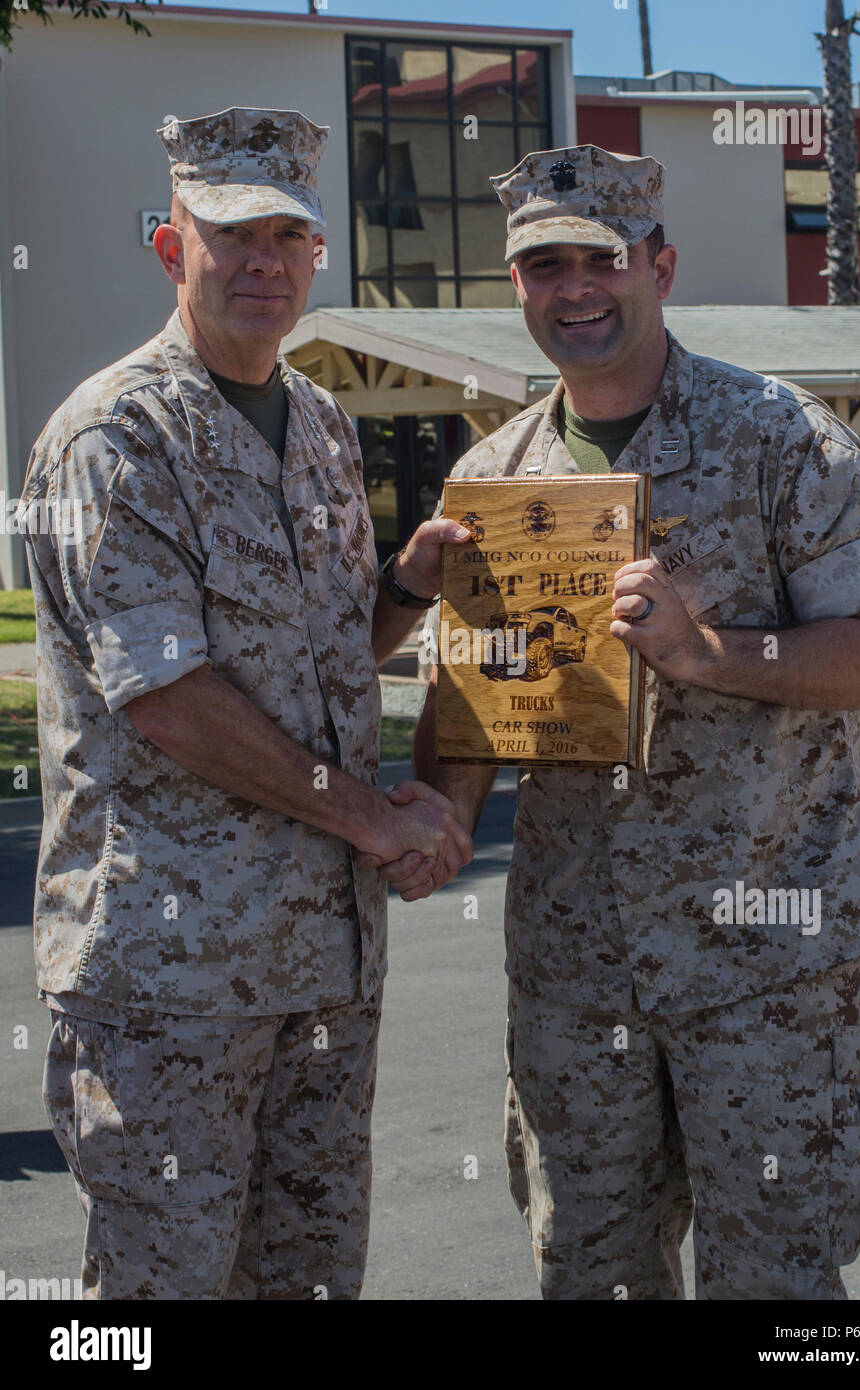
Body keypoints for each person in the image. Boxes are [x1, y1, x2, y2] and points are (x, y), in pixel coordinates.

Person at [373, 144, 860, 1299]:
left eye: (602, 258)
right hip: (577, 970)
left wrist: (707, 652)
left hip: (765, 960)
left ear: (659, 266)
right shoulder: (494, 477)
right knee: (591, 1271)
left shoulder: (779, 437)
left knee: (776, 1280)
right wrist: (438, 817)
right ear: (517, 288)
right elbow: (475, 702)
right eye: (544, 265)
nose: (575, 287)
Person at [17, 105, 472, 1300]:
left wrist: (405, 591)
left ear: (319, 253)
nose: (264, 260)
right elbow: (167, 701)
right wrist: (377, 822)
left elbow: (318, 661)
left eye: (289, 234)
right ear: (172, 249)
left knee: (312, 1279)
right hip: (171, 982)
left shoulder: (319, 427)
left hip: (323, 963)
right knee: (150, 1299)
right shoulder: (114, 436)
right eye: (231, 235)